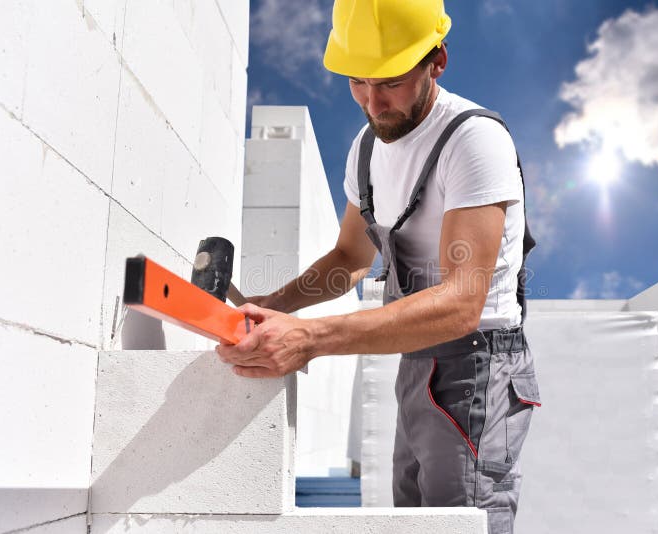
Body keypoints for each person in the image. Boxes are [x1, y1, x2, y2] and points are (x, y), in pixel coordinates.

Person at [216, 1, 541, 532]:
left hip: (477, 365)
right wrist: (272, 305)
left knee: (459, 521)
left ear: (437, 61)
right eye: (357, 82)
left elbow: (462, 304)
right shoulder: (367, 147)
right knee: (412, 519)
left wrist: (309, 338)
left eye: (390, 82)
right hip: (415, 358)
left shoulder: (473, 141)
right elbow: (350, 258)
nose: (373, 102)